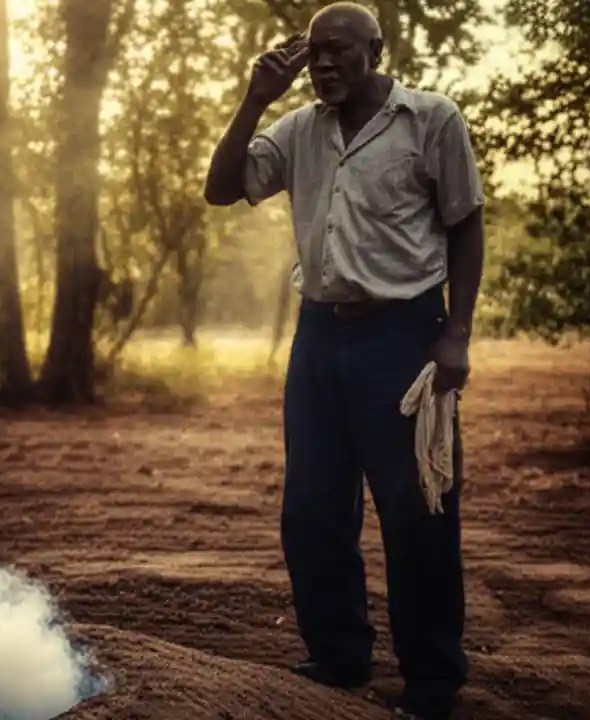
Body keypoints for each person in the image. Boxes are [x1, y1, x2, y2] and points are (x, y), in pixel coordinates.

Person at [203, 3, 485, 719]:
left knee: (417, 509)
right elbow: (222, 188)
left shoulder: (431, 119)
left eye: (340, 52)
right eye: (315, 54)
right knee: (311, 510)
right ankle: (339, 656)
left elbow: (465, 221)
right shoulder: (299, 129)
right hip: (320, 339)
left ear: (374, 50)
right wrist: (254, 99)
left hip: (405, 336)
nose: (325, 64)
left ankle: (431, 678)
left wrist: (456, 332)